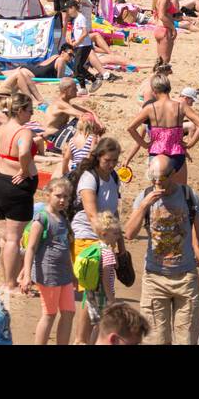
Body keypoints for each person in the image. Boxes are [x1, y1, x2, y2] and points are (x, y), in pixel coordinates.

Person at [125, 154, 199, 345]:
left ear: (173, 174)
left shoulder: (189, 196)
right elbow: (129, 233)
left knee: (187, 340)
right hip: (154, 279)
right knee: (155, 341)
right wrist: (144, 205)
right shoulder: (144, 196)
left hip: (185, 279)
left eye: (162, 178)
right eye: (153, 178)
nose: (157, 183)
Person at [0, 94, 40, 290]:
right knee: (13, 238)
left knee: (6, 237)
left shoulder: (0, 129)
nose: (31, 114)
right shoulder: (24, 132)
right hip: (16, 186)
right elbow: (24, 152)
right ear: (20, 111)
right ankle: (10, 283)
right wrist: (24, 169)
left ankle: (7, 280)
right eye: (30, 111)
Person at [70, 137, 122, 345]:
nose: (111, 165)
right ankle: (80, 340)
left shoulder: (114, 177)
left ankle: (90, 339)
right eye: (108, 160)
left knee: (98, 290)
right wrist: (103, 243)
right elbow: (92, 214)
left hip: (105, 237)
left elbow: (114, 212)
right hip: (86, 235)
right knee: (90, 289)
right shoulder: (89, 178)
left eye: (115, 161)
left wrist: (119, 244)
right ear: (99, 157)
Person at [20, 178, 77, 345]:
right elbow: (31, 248)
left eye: (66, 197)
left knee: (69, 312)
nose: (62, 200)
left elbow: (65, 249)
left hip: (64, 274)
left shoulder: (63, 218)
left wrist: (72, 273)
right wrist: (26, 275)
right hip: (48, 273)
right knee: (49, 314)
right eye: (58, 196)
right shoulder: (41, 218)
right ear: (47, 195)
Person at [126, 73, 199, 187]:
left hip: (156, 153)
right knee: (181, 190)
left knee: (158, 191)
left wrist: (144, 144)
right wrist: (190, 144)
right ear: (169, 88)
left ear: (154, 90)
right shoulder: (181, 106)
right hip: (177, 153)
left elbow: (130, 128)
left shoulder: (150, 108)